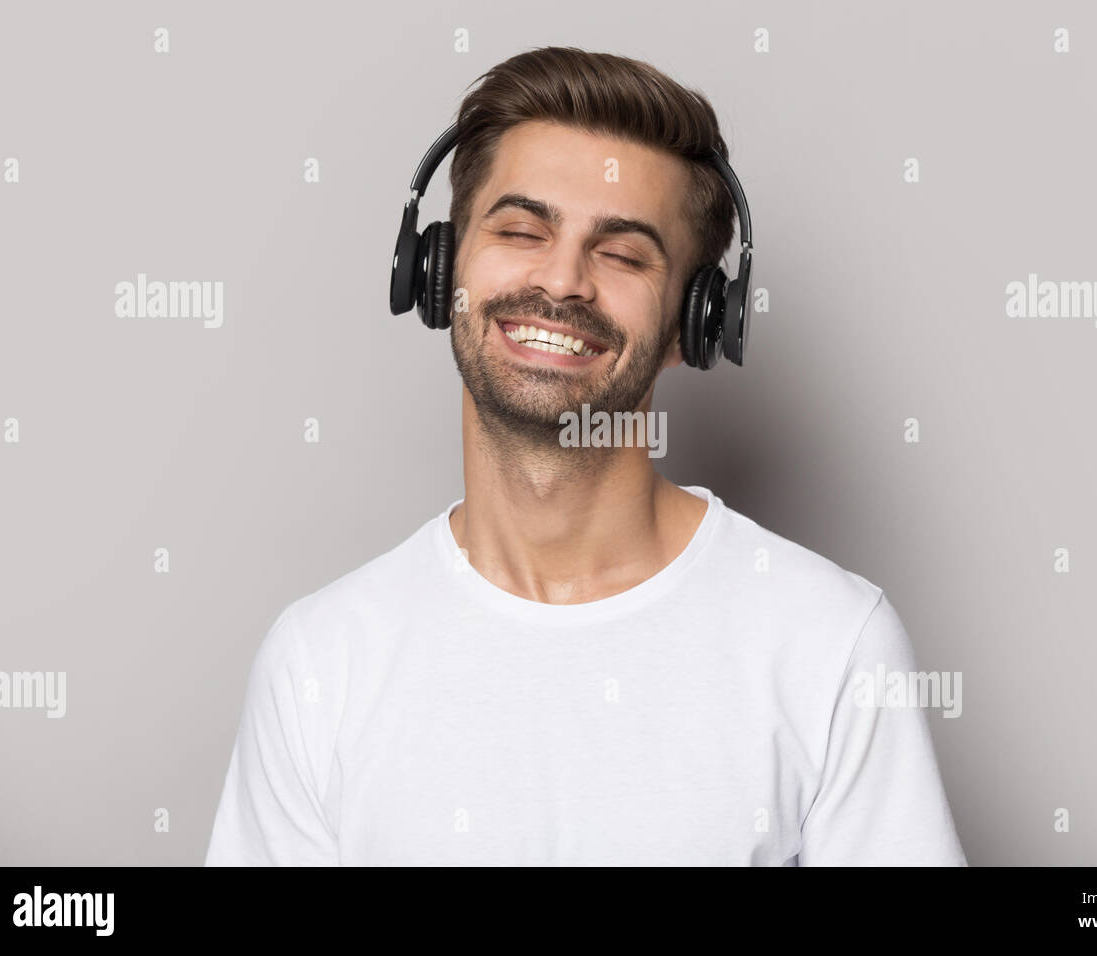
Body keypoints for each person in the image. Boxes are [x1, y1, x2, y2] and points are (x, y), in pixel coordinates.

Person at [204, 45, 966, 866]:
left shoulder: (831, 644)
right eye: (522, 229)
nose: (563, 281)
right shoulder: (321, 660)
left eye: (623, 253)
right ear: (437, 271)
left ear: (697, 323)